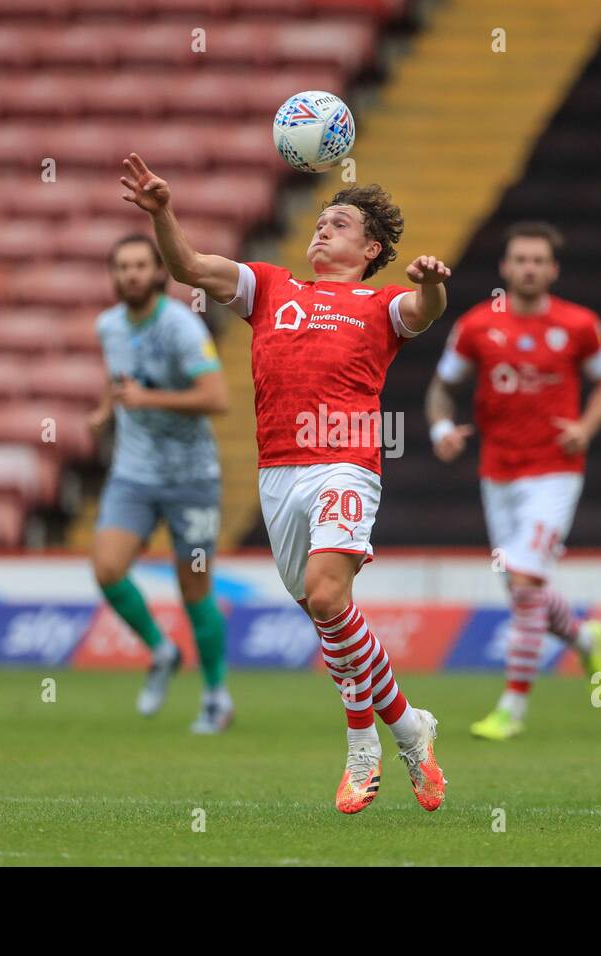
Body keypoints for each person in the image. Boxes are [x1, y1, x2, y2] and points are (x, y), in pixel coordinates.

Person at [120, 152, 450, 813]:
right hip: (279, 470)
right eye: (321, 220)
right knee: (327, 622)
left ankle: (365, 746)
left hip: (346, 462)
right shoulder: (269, 286)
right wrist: (163, 213)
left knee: (328, 600)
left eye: (340, 223)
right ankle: (409, 725)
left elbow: (425, 311)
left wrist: (434, 283)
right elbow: (188, 267)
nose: (323, 230)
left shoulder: (380, 302)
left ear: (371, 247)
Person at [426, 221, 601, 740]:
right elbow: (441, 388)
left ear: (553, 269)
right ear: (505, 267)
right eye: (521, 259)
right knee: (523, 589)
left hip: (555, 473)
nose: (530, 268)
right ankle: (584, 638)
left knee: (524, 579)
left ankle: (512, 708)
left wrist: (586, 426)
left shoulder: (580, 325)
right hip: (497, 472)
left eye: (539, 260)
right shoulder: (474, 326)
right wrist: (442, 428)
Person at [89, 233, 233, 734]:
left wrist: (146, 403)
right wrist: (107, 409)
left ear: (157, 273)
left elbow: (217, 398)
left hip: (191, 476)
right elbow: (121, 380)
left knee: (193, 588)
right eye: (121, 266)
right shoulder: (107, 326)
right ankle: (161, 649)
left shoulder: (181, 328)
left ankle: (216, 695)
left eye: (139, 265)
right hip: (134, 472)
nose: (130, 274)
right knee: (107, 569)